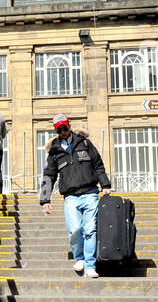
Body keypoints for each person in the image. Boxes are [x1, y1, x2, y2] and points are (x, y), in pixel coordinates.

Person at [39, 114, 112, 278]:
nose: (63, 131)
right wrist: (45, 200)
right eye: (59, 129)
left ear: (69, 126)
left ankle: (90, 265)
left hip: (90, 193)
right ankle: (79, 257)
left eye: (65, 128)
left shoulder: (84, 143)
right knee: (74, 230)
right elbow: (48, 175)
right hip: (71, 197)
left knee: (90, 229)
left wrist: (105, 185)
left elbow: (98, 164)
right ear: (55, 130)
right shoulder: (54, 151)